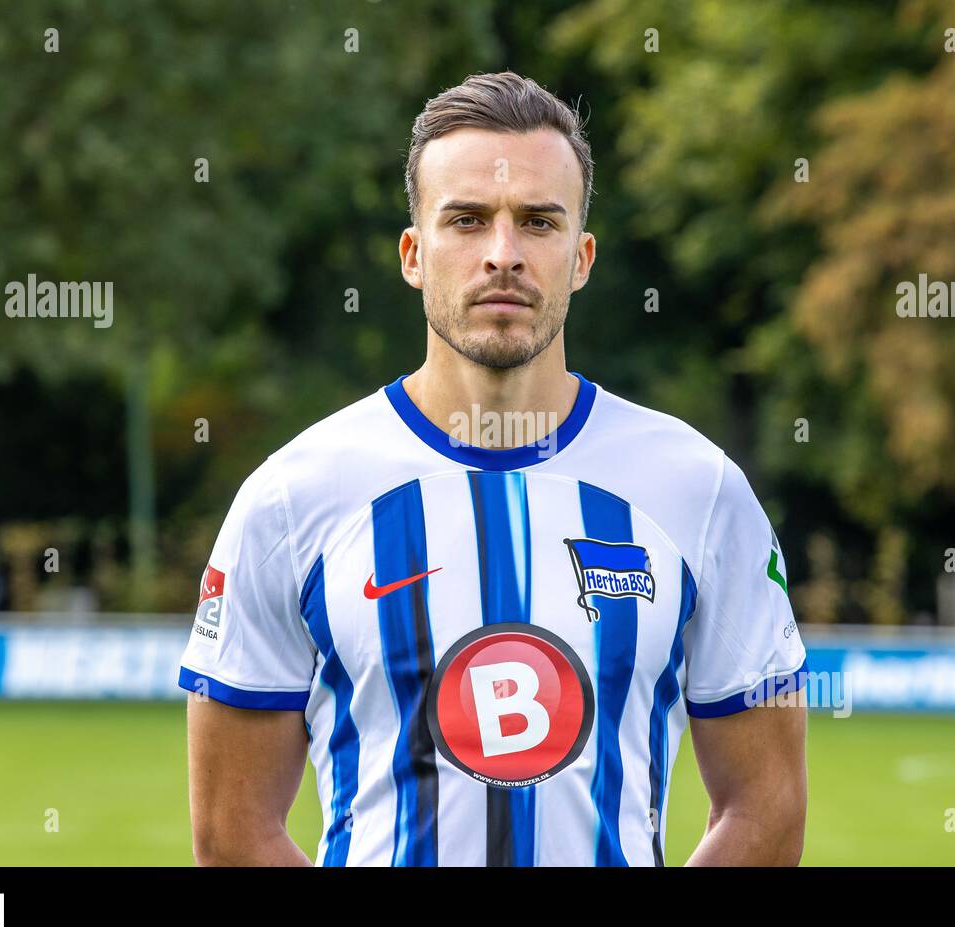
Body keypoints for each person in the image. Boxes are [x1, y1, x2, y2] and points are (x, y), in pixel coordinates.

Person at [182, 71, 807, 866]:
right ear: (413, 255)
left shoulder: (701, 491)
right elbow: (232, 833)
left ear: (581, 258)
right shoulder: (290, 499)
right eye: (468, 221)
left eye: (538, 223)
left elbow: (767, 808)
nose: (502, 255)